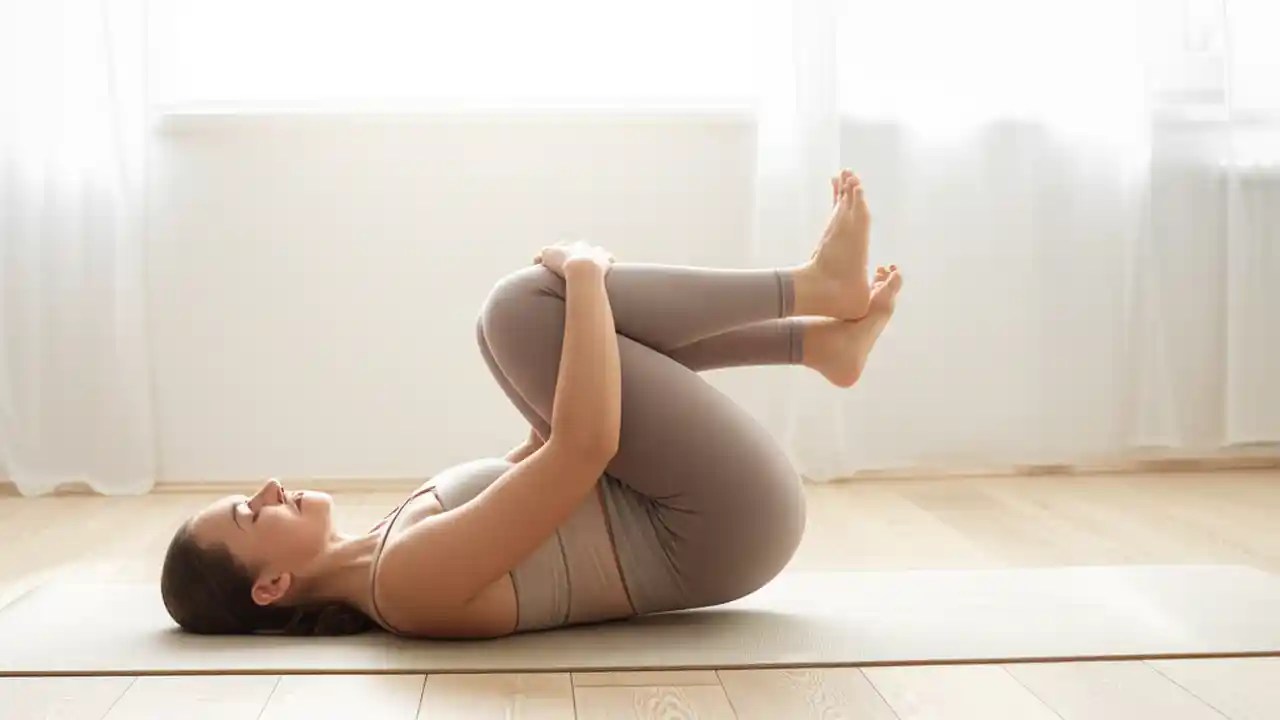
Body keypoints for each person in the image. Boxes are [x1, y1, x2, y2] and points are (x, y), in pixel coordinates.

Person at [160, 170, 903, 638]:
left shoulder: (384, 548)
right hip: (720, 524)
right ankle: (810, 296)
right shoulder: (406, 585)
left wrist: (567, 335)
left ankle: (817, 338)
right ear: (272, 587)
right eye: (250, 515)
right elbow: (582, 451)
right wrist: (584, 277)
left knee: (505, 329)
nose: (265, 491)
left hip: (678, 509)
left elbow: (546, 452)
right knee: (523, 310)